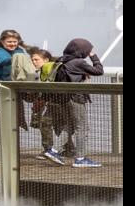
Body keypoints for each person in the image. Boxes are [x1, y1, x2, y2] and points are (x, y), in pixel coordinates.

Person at [45, 38, 105, 168]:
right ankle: (80, 158)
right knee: (82, 127)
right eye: (88, 50)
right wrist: (94, 57)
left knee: (71, 126)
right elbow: (99, 71)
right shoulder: (79, 62)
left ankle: (54, 151)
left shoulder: (62, 59)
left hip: (63, 98)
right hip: (75, 98)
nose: (89, 52)